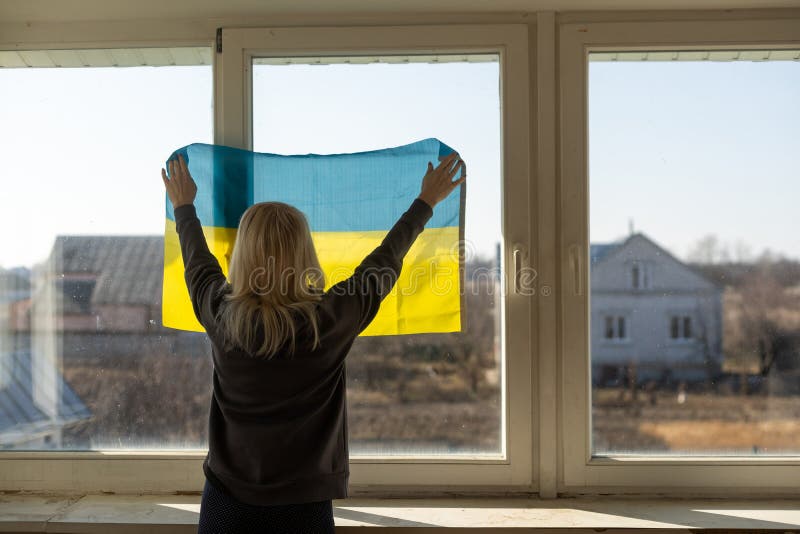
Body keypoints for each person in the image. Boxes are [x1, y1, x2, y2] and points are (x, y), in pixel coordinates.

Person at [161, 150, 465, 533]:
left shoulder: (219, 312)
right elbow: (383, 262)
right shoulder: (331, 319)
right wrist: (425, 202)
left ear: (241, 255)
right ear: (305, 253)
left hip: (226, 504)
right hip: (304, 506)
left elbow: (197, 262)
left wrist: (184, 207)